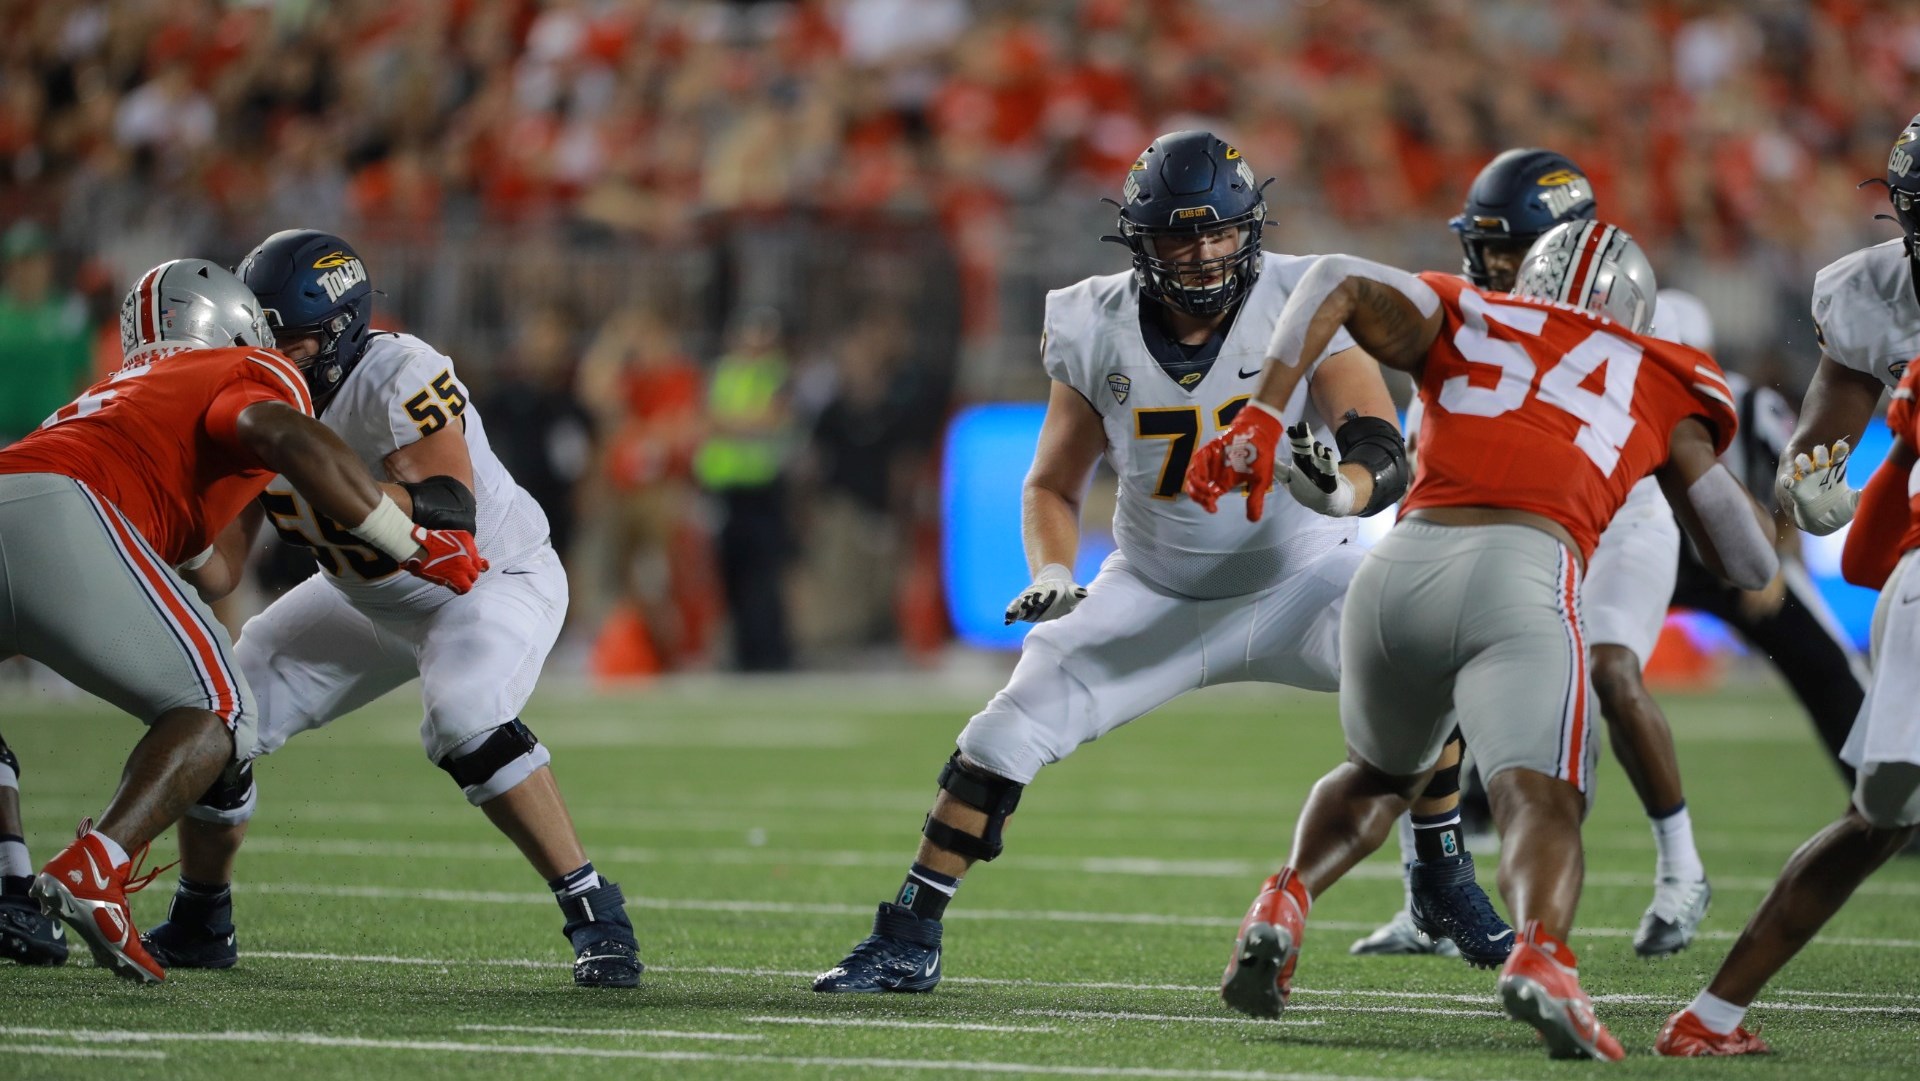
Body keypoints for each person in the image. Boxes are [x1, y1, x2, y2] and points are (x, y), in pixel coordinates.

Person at [809, 130, 1505, 995]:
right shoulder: (1093, 320)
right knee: (999, 733)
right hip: (1155, 589)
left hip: (1304, 578)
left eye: (1220, 231)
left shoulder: (1305, 293)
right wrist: (1055, 570)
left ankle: (1441, 877)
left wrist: (1342, 493)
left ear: (1251, 227)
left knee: (1428, 644)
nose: (1206, 253)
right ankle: (909, 932)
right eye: (1181, 234)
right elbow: (1053, 485)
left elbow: (1381, 447)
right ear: (1141, 238)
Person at [1188, 220, 1776, 1059]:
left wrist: (1260, 413)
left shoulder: (1473, 310)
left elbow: (1333, 278)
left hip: (1398, 571)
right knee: (1542, 798)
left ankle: (1282, 902)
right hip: (1526, 571)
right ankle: (1542, 954)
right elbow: (1748, 563)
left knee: (1379, 775)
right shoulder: (1661, 369)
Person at [136, 231, 641, 989]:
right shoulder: (252, 395)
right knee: (216, 714)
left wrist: (326, 474)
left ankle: (595, 907)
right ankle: (203, 917)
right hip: (362, 596)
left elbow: (450, 511)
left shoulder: (400, 370)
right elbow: (225, 567)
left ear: (339, 332)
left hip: (485, 579)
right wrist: (169, 532)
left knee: (466, 716)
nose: (275, 354)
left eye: (294, 340)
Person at [0, 258, 482, 983]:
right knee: (219, 710)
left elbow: (211, 564)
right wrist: (403, 538)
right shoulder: (244, 369)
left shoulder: (122, 389)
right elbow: (275, 432)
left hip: (22, 480)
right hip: (67, 509)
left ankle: (11, 888)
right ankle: (96, 867)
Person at [1355, 148, 1714, 960]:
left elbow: (1689, 444)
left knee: (1613, 673)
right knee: (1433, 675)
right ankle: (1428, 887)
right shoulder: (1471, 325)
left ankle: (1681, 867)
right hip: (1522, 525)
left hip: (1619, 520)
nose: (1491, 266)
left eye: (1509, 250)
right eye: (1484, 247)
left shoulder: (1652, 316)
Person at [1653, 114, 1920, 1059]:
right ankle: (1710, 1014)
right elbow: (1822, 446)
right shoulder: (1871, 297)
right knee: (1880, 819)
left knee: (1879, 820)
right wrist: (1806, 485)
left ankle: (1709, 1014)